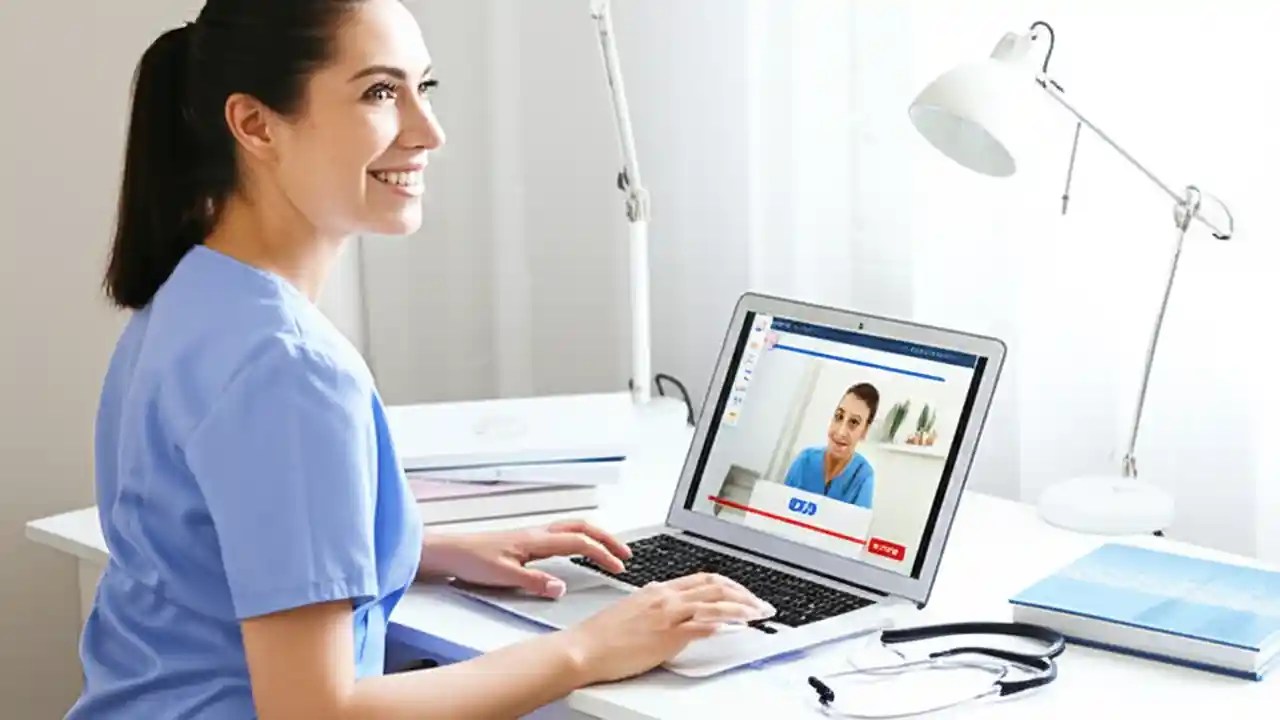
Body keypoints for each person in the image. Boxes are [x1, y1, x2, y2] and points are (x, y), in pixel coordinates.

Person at [69, 2, 771, 718]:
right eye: (379, 92)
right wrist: (590, 647)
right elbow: (317, 712)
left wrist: (411, 548)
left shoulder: (192, 297)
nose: (428, 132)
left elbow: (212, 546)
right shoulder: (291, 369)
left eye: (422, 89)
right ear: (254, 124)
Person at [783, 383, 879, 508]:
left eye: (854, 422)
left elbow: (855, 526)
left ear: (864, 431)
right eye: (839, 417)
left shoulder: (863, 476)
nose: (841, 431)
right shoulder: (804, 461)